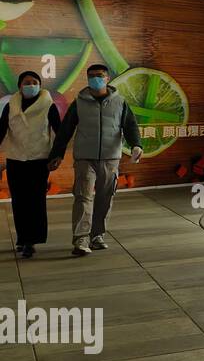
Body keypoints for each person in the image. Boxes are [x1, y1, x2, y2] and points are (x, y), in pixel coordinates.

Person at [48, 64, 142, 256]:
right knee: (83, 197)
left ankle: (97, 235)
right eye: (91, 76)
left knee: (105, 197)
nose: (95, 79)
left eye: (99, 75)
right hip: (85, 157)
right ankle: (81, 239)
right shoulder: (79, 102)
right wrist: (57, 154)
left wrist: (136, 145)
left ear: (107, 78)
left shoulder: (120, 102)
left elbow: (130, 125)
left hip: (110, 158)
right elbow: (66, 130)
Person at [0, 72, 61, 258]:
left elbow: (60, 131)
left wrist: (57, 155)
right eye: (27, 82)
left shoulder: (49, 106)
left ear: (40, 86)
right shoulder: (10, 106)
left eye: (35, 82)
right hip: (15, 158)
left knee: (35, 201)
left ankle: (31, 241)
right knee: (19, 201)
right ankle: (23, 237)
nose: (31, 85)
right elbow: (1, 129)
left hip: (39, 159)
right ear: (19, 86)